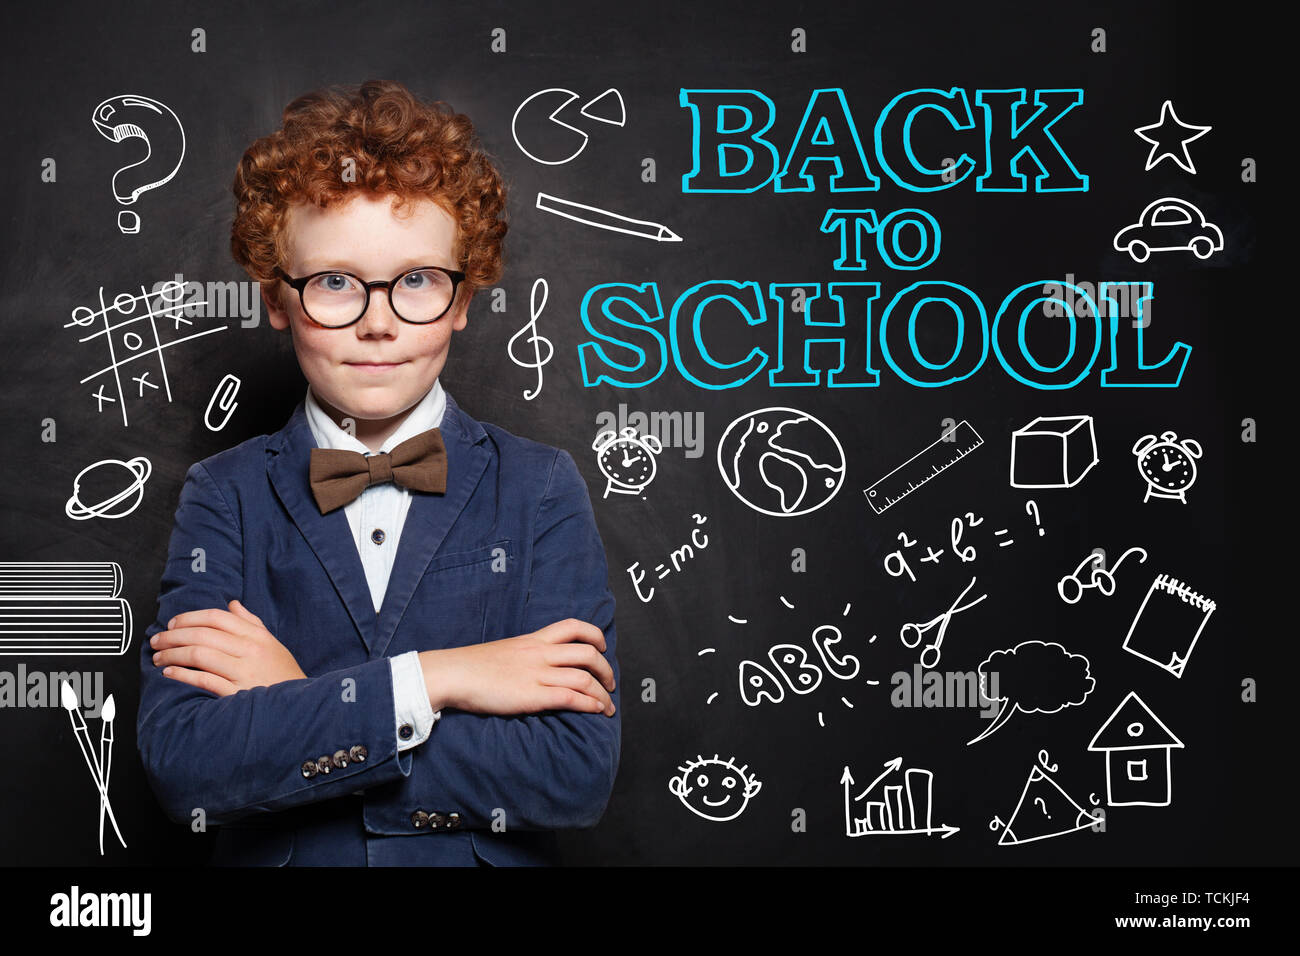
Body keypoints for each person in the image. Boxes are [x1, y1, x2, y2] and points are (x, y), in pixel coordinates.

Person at [136, 80, 620, 866]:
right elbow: (189, 765)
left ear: (463, 300)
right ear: (277, 300)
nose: (378, 320)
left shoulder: (542, 488)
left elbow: (572, 773)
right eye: (334, 282)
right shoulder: (223, 495)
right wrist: (435, 680)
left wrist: (298, 700)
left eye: (419, 280)